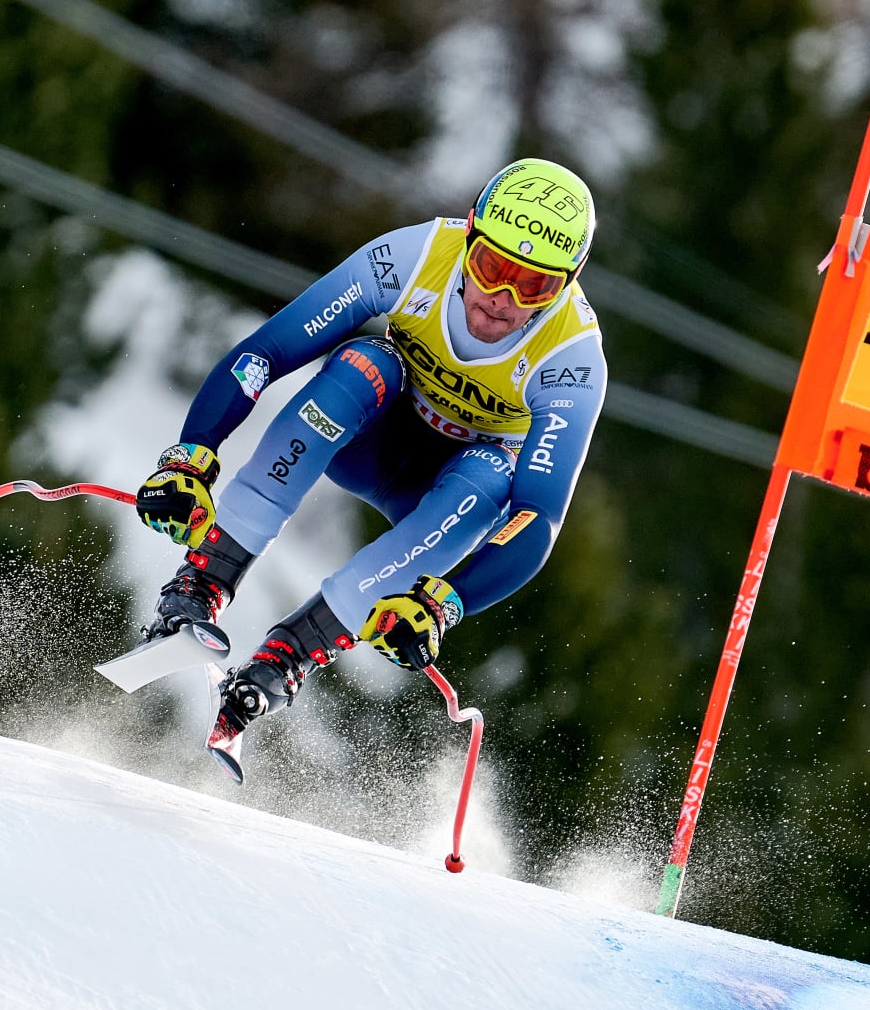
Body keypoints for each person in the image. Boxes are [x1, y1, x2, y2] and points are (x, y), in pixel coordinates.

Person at [133, 158, 607, 780]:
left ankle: (288, 658)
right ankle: (201, 583)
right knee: (364, 362)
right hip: (370, 440)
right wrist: (192, 455)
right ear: (469, 236)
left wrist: (445, 603)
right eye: (493, 268)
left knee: (498, 477)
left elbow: (538, 517)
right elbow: (269, 351)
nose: (501, 300)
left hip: (443, 498)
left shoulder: (572, 358)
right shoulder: (414, 258)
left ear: (566, 287)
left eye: (534, 288)